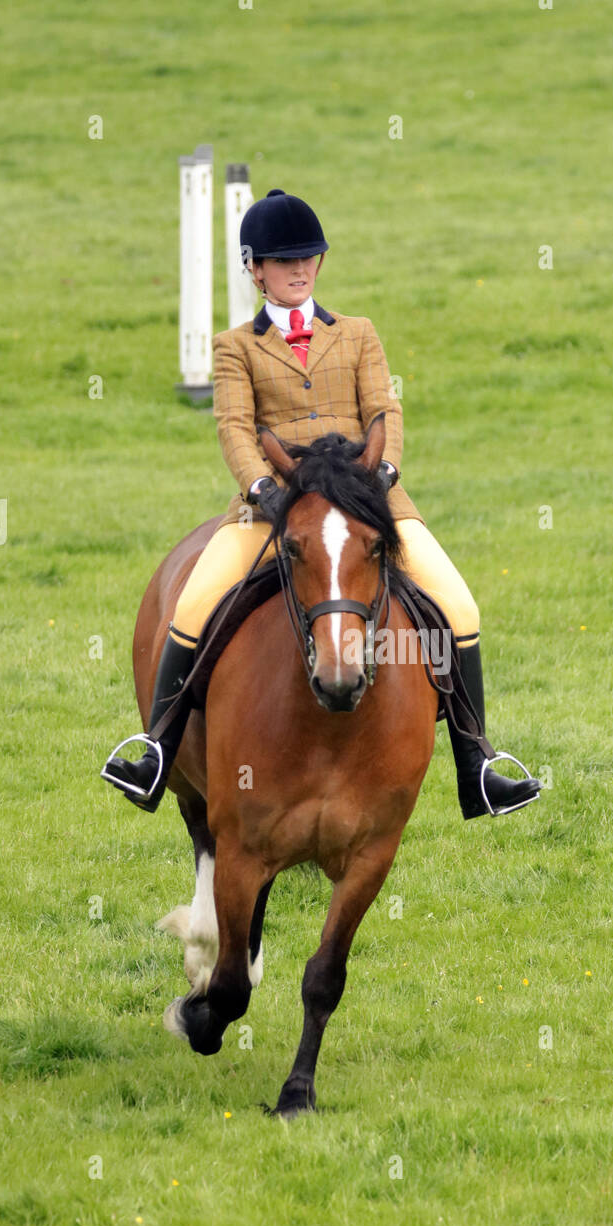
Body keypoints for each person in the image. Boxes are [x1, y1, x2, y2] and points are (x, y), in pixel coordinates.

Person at [102, 190, 539, 819]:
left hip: (365, 504)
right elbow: (234, 426)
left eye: (308, 258)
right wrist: (265, 491)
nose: (299, 270)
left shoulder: (358, 334)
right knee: (194, 604)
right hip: (273, 507)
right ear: (255, 270)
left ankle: (478, 766)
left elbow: (385, 410)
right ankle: (157, 752)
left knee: (460, 607)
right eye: (284, 262)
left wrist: (382, 474)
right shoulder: (235, 348)